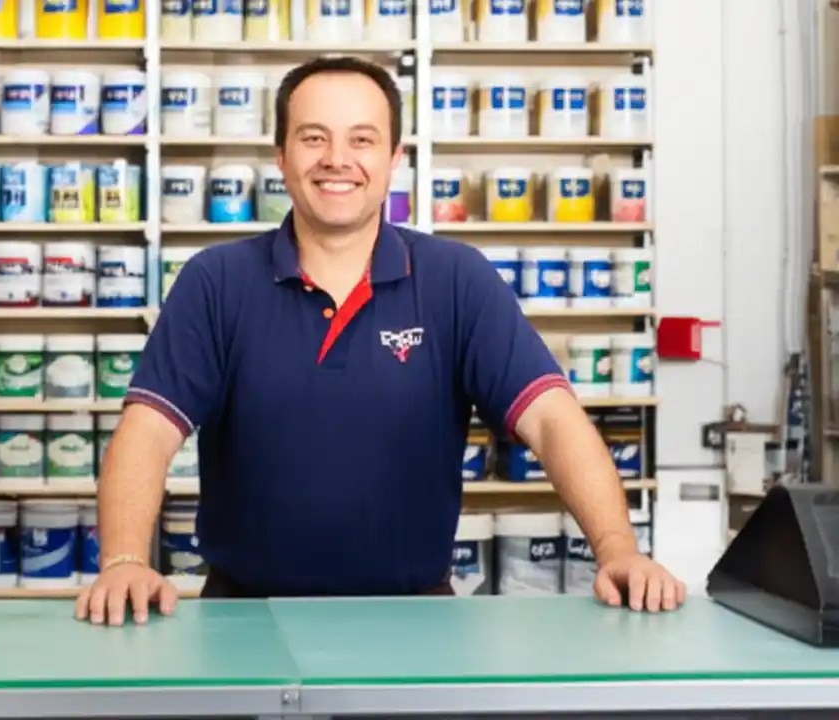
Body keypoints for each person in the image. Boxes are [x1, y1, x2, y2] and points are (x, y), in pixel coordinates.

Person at [74, 55, 685, 626]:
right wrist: (124, 561)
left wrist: (617, 550)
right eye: (314, 137)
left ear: (395, 158)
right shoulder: (217, 280)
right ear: (280, 156)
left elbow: (553, 419)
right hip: (244, 618)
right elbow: (148, 429)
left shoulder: (455, 279)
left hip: (416, 620)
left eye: (361, 139)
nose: (337, 158)